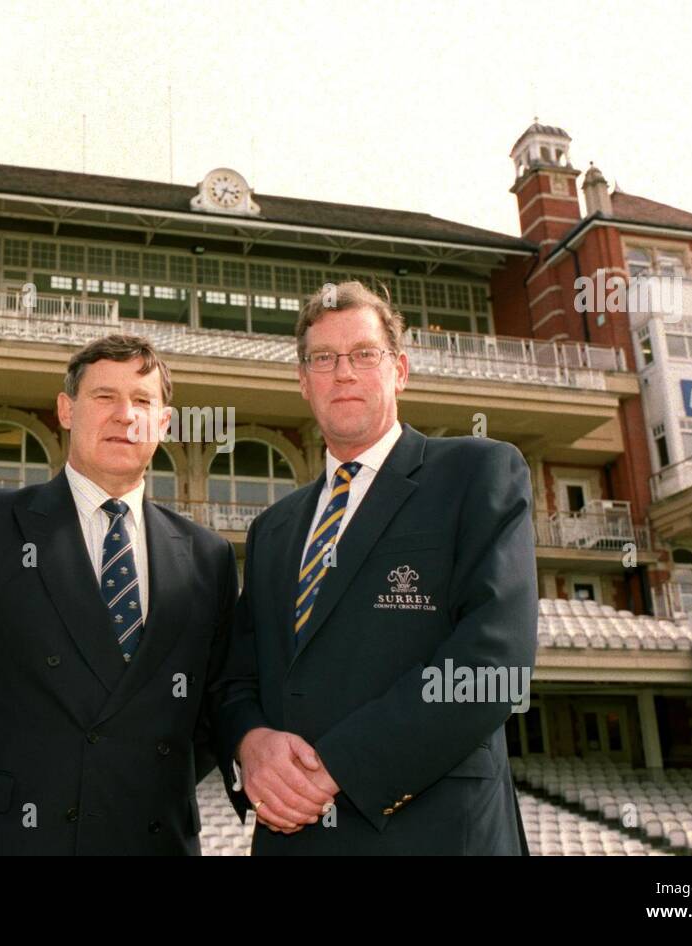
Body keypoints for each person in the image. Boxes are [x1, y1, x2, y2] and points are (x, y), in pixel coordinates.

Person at [0, 334, 237, 855]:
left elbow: (206, 719)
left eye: (142, 401)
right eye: (104, 397)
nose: (124, 415)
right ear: (66, 410)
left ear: (164, 424)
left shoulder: (208, 557)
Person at [216, 281, 537, 855]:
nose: (343, 372)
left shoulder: (476, 473)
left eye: (364, 354)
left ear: (400, 369)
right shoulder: (274, 529)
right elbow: (239, 677)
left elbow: (491, 662)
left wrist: (337, 767)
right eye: (323, 359)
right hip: (294, 838)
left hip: (437, 834)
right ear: (303, 380)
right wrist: (251, 742)